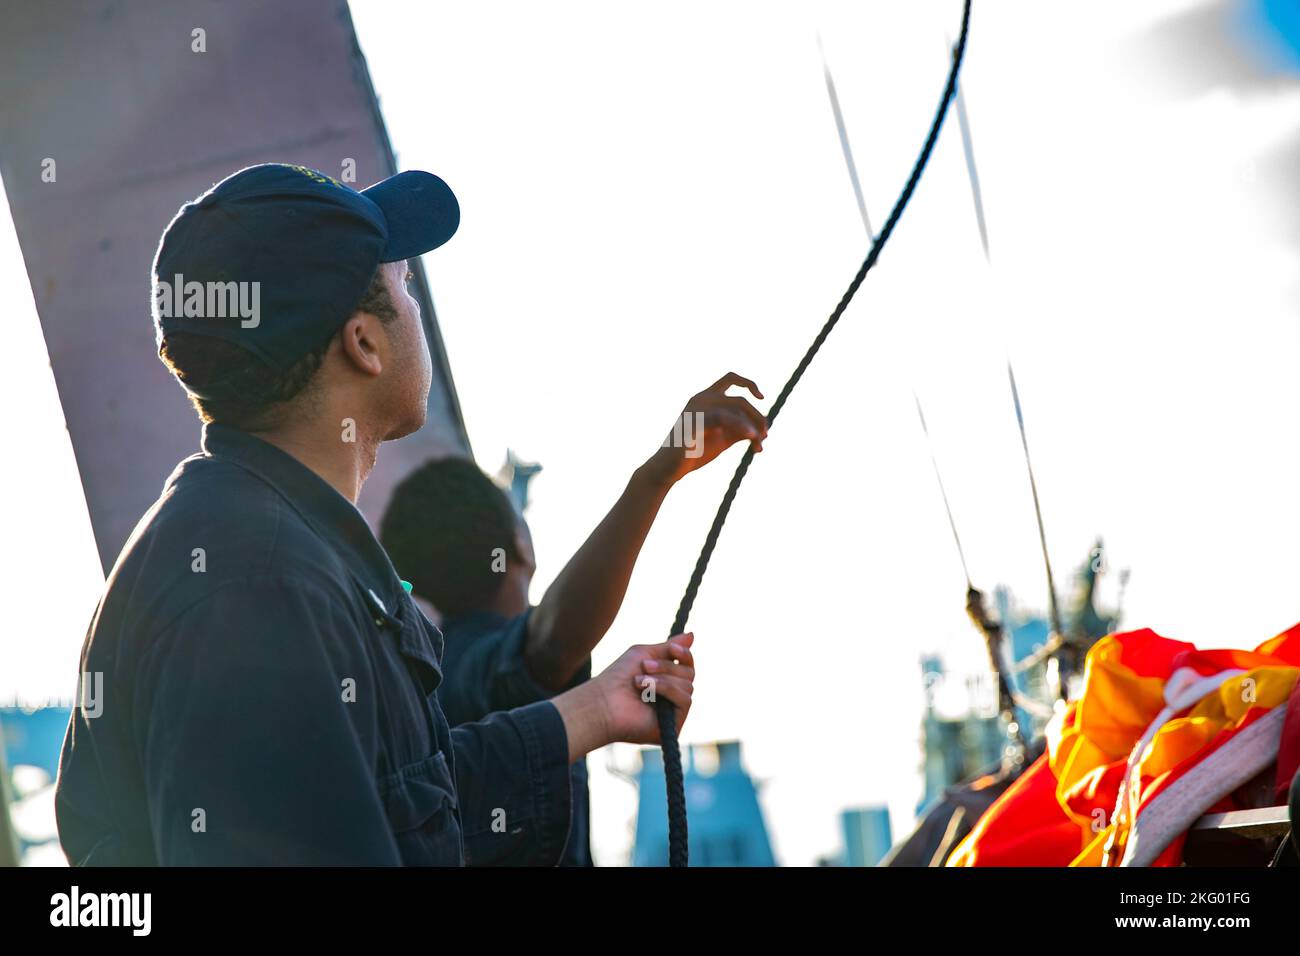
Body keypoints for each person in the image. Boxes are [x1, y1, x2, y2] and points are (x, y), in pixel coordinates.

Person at [54, 163, 696, 866]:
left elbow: (399, 799)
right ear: (363, 342)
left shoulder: (257, 548)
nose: (415, 306)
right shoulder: (261, 588)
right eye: (406, 286)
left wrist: (596, 711)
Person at [381, 374, 767, 864]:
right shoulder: (483, 668)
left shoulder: (424, 679)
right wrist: (656, 475)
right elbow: (550, 644)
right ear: (520, 546)